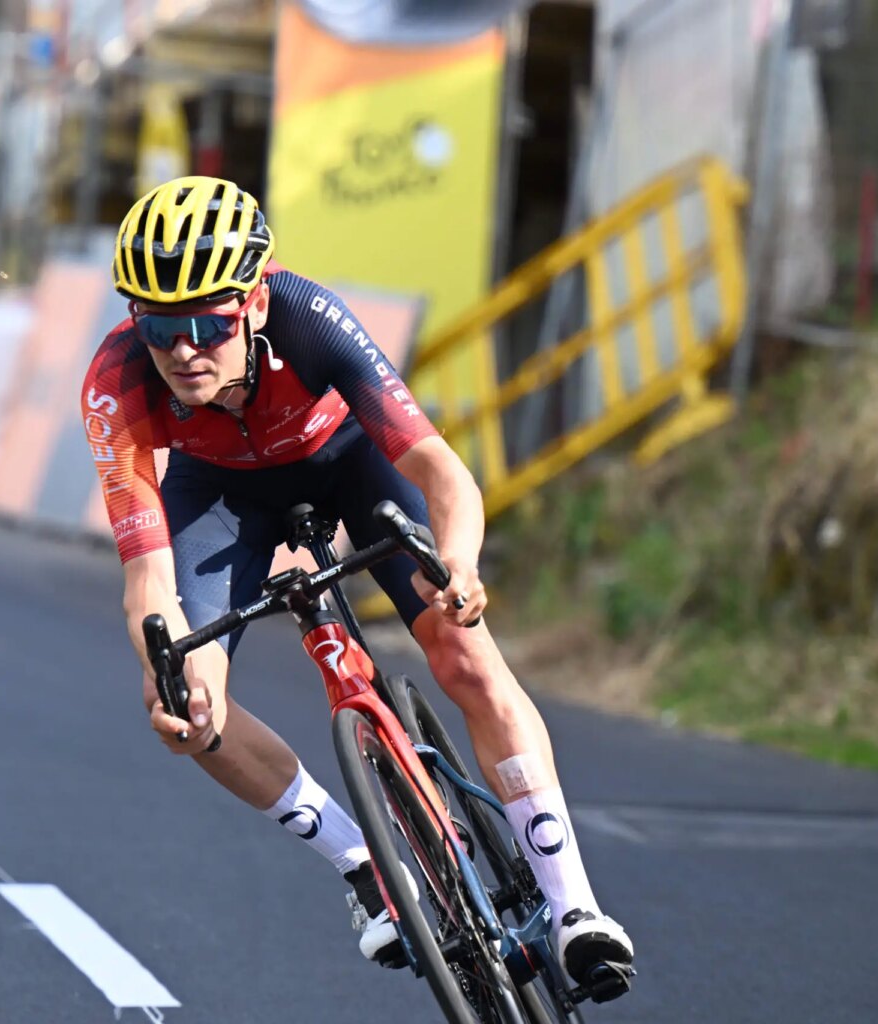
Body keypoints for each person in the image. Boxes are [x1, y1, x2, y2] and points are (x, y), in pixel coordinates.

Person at [80, 175, 634, 986]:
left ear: (254, 305)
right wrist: (167, 670)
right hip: (220, 496)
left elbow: (440, 471)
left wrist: (461, 563)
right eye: (159, 327)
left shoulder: (307, 316)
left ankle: (573, 907)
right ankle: (369, 869)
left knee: (464, 655)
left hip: (348, 463)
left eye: (208, 324)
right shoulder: (117, 379)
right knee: (187, 705)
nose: (183, 350)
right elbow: (147, 580)